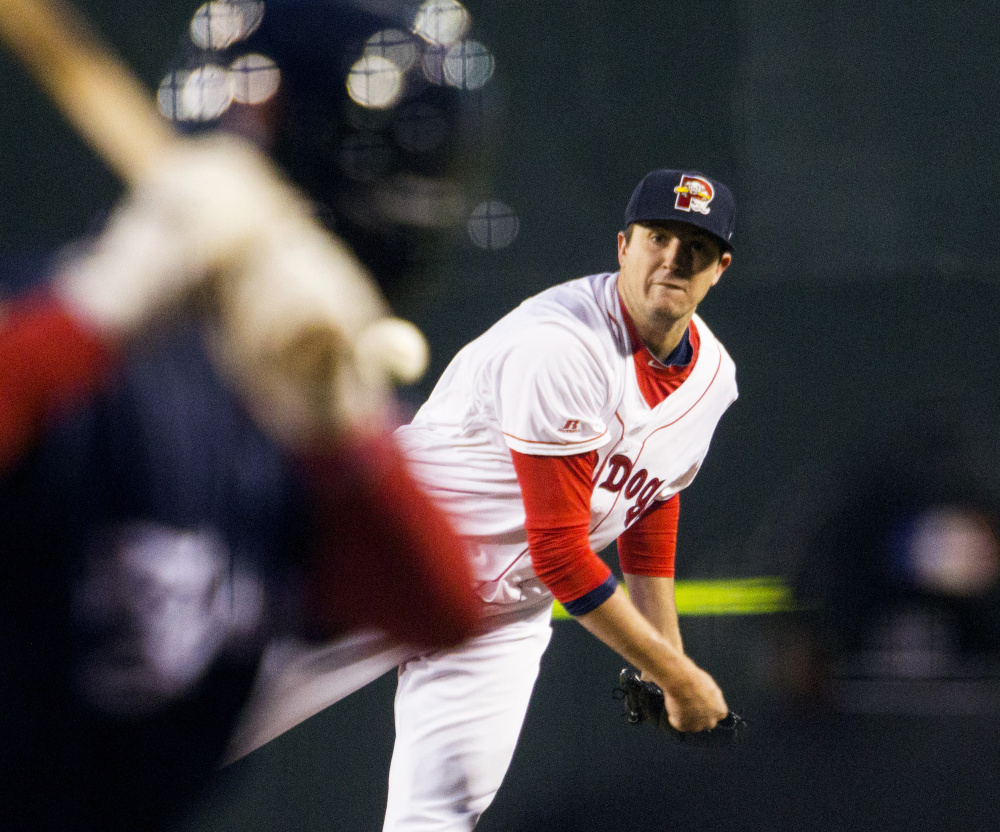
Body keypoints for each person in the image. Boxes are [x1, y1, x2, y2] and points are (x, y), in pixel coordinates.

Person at [0, 0, 492, 829]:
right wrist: (101, 309)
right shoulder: (47, 337)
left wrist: (340, 426)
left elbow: (441, 611)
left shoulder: (275, 401)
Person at [229, 167, 740, 830]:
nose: (673, 259)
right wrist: (680, 680)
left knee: (442, 814)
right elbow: (561, 555)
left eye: (694, 246)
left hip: (497, 616)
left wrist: (669, 667)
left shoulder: (714, 376)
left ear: (719, 268)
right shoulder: (561, 346)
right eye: (659, 238)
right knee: (180, 728)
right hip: (395, 555)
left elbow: (653, 501)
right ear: (623, 246)